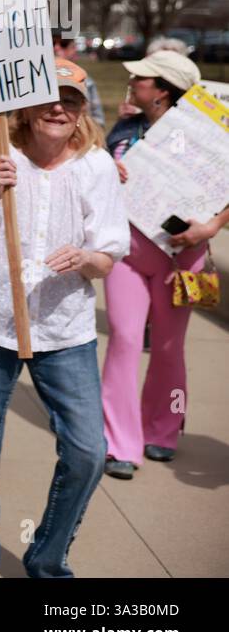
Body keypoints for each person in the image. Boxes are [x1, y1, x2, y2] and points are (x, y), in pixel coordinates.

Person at [0, 59, 128, 578]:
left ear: (81, 111)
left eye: (70, 101)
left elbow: (108, 256)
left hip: (64, 330)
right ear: (24, 105)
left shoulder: (95, 167)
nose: (58, 108)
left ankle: (47, 557)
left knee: (89, 451)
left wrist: (86, 259)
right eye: (48, 98)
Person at [101, 49, 224, 479]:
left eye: (142, 79)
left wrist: (210, 228)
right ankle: (119, 441)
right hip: (126, 256)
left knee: (169, 348)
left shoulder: (211, 136)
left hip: (181, 260)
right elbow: (94, 172)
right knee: (124, 338)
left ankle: (164, 429)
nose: (133, 83)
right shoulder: (124, 130)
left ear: (163, 92)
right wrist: (106, 171)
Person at [52, 32, 104, 125]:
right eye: (51, 43)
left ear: (73, 49)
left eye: (64, 44)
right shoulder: (32, 80)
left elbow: (98, 122)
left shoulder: (87, 82)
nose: (56, 48)